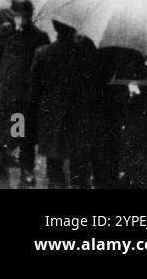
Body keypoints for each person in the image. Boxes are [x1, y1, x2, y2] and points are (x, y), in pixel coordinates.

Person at [0, 0, 45, 185]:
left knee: (21, 131)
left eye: (23, 16)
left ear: (29, 16)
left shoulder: (38, 37)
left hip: (24, 94)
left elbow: (40, 66)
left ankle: (26, 167)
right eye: (17, 16)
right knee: (0, 127)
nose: (20, 20)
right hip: (5, 90)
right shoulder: (5, 31)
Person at [29, 20, 100, 188]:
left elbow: (35, 87)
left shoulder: (43, 52)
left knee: (54, 158)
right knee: (79, 161)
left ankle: (56, 184)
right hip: (79, 113)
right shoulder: (86, 53)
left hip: (51, 113)